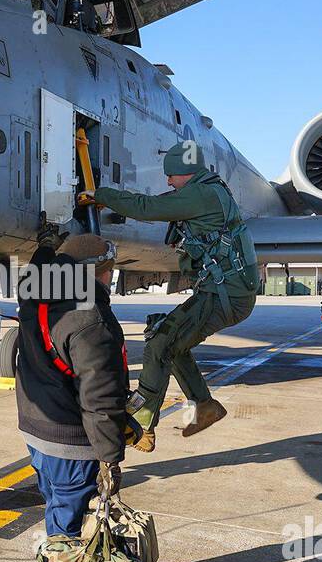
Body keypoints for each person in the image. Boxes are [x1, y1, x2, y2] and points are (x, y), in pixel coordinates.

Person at [86, 140, 258, 452]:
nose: (168, 181)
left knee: (158, 343)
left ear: (186, 173)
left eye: (172, 175)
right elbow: (158, 201)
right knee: (174, 344)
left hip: (224, 296)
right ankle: (204, 406)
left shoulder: (201, 195)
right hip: (226, 293)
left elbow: (147, 208)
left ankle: (141, 423)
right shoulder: (207, 191)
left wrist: (101, 195)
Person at [15, 233, 127, 537]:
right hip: (71, 444)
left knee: (55, 503)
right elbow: (100, 397)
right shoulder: (92, 320)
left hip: (36, 434)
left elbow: (35, 271)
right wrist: (110, 458)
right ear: (96, 272)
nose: (110, 277)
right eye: (109, 270)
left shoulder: (32, 295)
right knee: (68, 530)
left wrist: (46, 247)